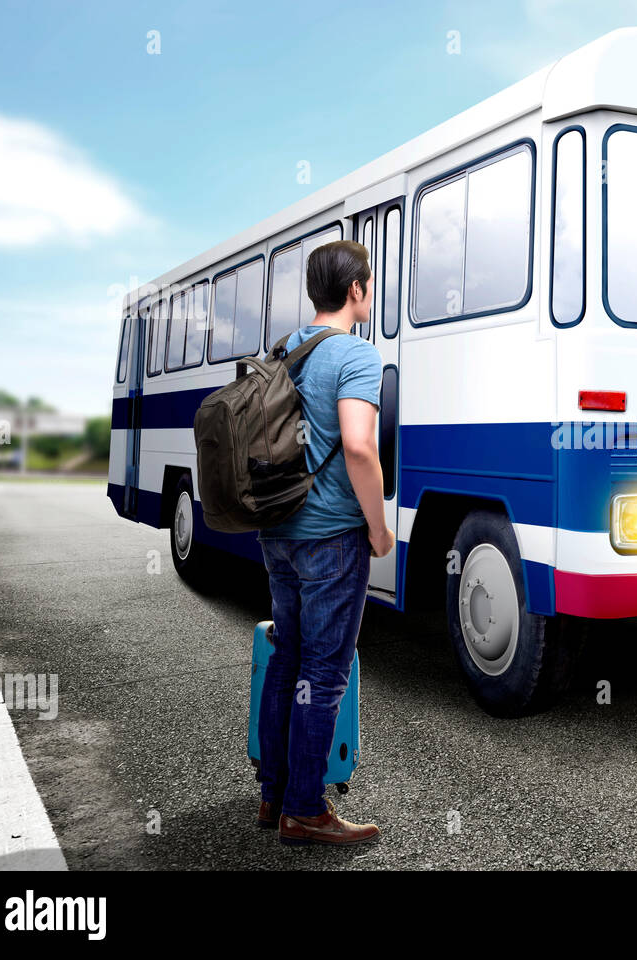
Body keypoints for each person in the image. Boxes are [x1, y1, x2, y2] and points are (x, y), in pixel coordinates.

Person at [254, 240, 393, 846]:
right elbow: (360, 446)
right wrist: (379, 527)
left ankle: (273, 796)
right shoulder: (357, 356)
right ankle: (305, 808)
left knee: (288, 660)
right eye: (368, 283)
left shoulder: (282, 350)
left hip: (277, 532)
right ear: (356, 289)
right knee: (323, 671)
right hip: (332, 538)